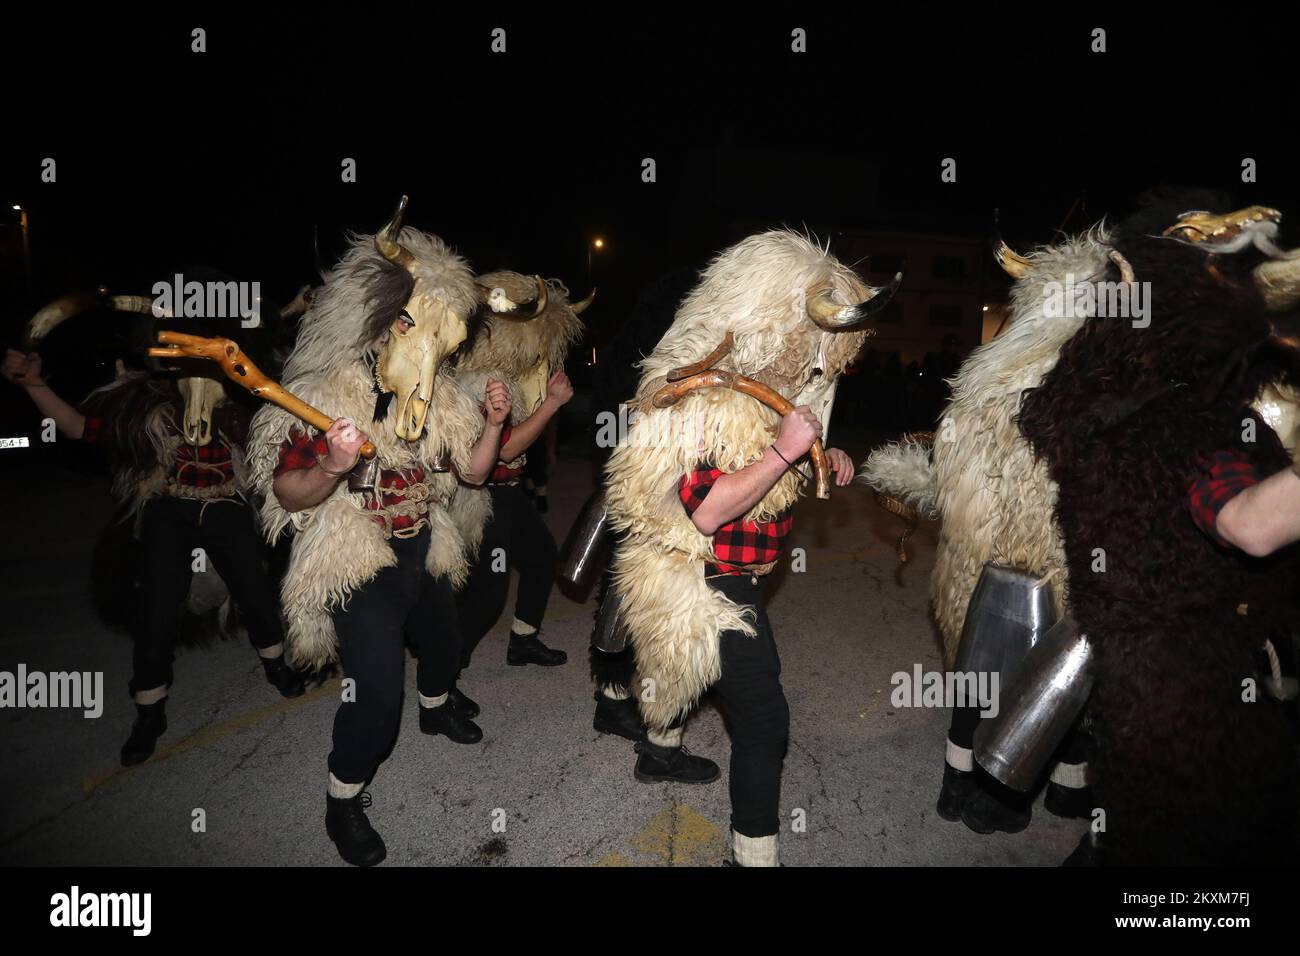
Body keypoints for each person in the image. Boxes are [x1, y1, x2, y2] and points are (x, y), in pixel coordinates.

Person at [3, 301, 303, 768]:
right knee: (157, 605)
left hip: (227, 503)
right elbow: (84, 427)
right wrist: (35, 385)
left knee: (253, 588)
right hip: (171, 506)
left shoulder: (250, 396)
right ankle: (149, 710)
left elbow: (297, 430)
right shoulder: (143, 400)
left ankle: (276, 662)